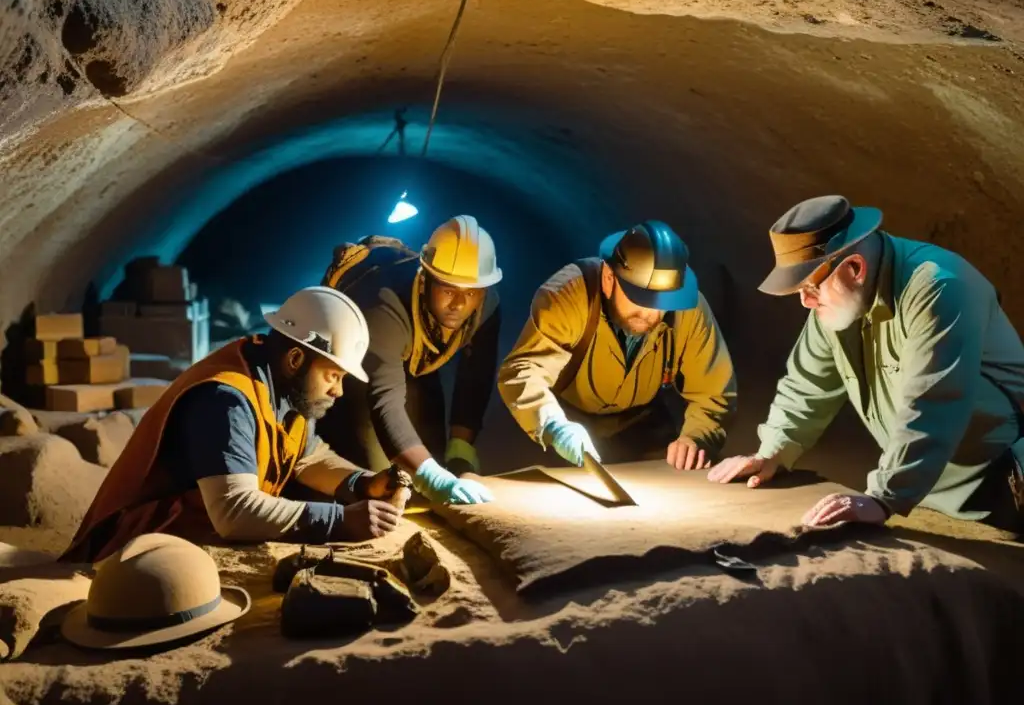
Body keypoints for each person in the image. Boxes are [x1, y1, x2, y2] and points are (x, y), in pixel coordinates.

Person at [708, 195, 1024, 532]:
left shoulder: (939, 288)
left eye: (810, 287)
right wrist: (772, 452)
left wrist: (884, 496)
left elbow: (933, 403)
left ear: (855, 268)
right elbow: (808, 383)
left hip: (1004, 487)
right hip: (930, 495)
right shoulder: (839, 301)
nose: (805, 301)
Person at [60, 287, 401, 564]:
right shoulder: (224, 398)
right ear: (296, 359)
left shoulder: (283, 387)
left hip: (187, 539)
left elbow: (307, 457)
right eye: (333, 375)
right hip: (131, 552)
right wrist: (340, 520)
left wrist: (363, 483)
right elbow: (235, 511)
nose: (338, 390)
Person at [498, 220, 737, 469]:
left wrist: (698, 436)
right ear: (609, 279)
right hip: (570, 417)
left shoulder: (688, 309)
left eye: (662, 304)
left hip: (642, 421)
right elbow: (523, 369)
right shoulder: (569, 295)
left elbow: (714, 393)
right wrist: (552, 424)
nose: (652, 315)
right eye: (640, 300)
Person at [317, 216, 500, 505]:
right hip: (356, 367)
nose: (459, 304)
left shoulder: (486, 305)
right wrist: (430, 476)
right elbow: (384, 401)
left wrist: (460, 449)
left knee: (434, 459)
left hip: (415, 357)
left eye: (471, 292)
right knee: (382, 477)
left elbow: (475, 376)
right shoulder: (382, 305)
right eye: (449, 290)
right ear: (425, 278)